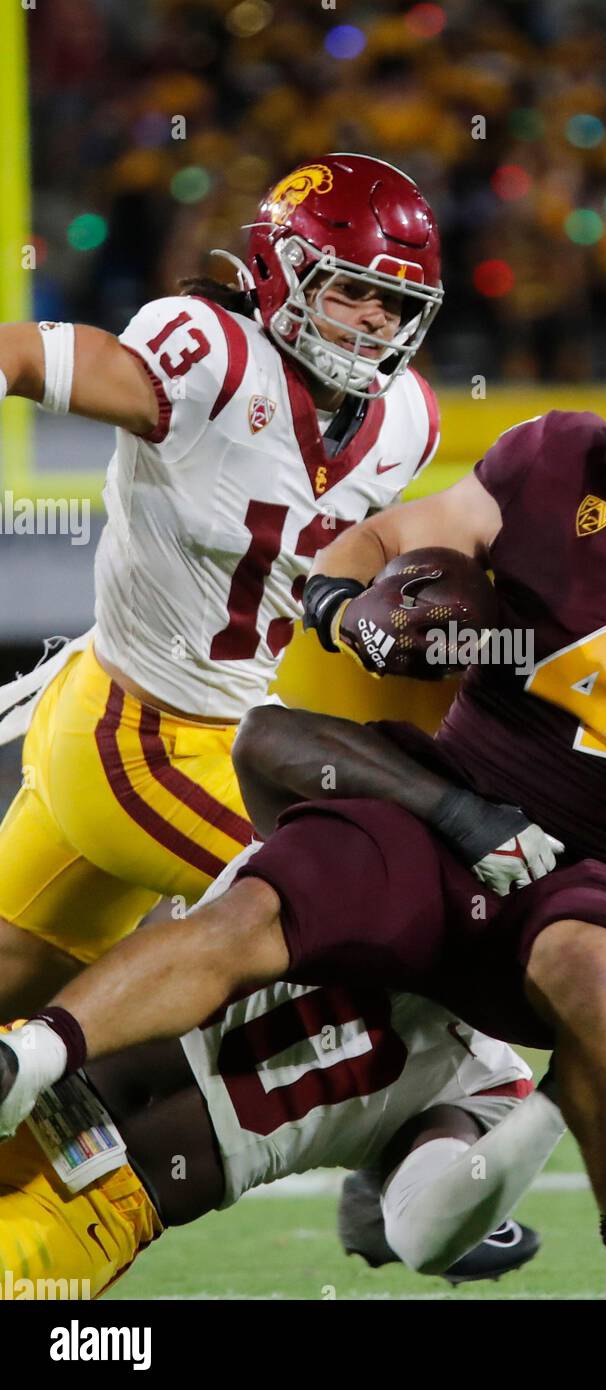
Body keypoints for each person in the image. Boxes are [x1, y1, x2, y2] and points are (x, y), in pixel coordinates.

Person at [0, 321, 606, 1301]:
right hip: (439, 815)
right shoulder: (560, 459)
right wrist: (348, 608)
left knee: (594, 973)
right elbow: (387, 536)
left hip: (577, 869)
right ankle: (28, 1055)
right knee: (259, 888)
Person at [0, 154, 443, 1017]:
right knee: (366, 913)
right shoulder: (211, 355)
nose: (372, 322)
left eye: (394, 303)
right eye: (351, 292)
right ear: (284, 272)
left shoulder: (410, 419)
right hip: (137, 736)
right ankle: (453, 1116)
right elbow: (19, 355)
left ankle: (63, 1140)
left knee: (13, 982)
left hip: (221, 734)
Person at [0, 848, 563, 1300]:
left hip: (95, 1203)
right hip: (31, 1075)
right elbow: (266, 742)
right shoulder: (382, 862)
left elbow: (403, 1223)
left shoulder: (491, 1084)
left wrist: (565, 1095)